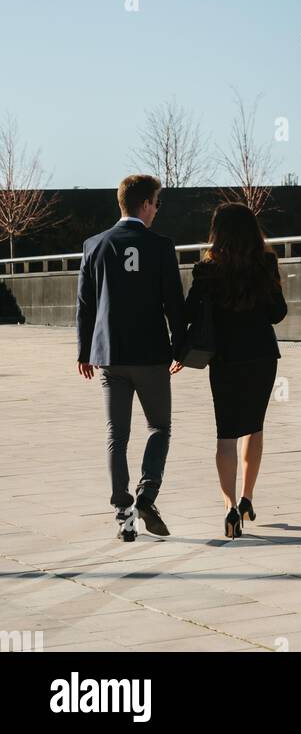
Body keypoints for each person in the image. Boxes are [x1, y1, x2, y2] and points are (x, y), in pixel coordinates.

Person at [76, 174, 186, 542]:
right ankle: (147, 494)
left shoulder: (94, 245)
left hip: (109, 356)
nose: (156, 209)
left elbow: (85, 306)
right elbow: (174, 303)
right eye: (156, 202)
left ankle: (122, 509)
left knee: (116, 434)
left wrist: (84, 351)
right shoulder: (160, 246)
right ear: (144, 204)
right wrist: (180, 347)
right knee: (159, 427)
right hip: (152, 356)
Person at [184, 203, 287, 539]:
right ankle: (247, 498)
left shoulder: (206, 268)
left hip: (224, 359)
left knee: (225, 431)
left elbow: (189, 312)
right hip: (260, 356)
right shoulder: (266, 262)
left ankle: (228, 508)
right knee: (254, 427)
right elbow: (277, 313)